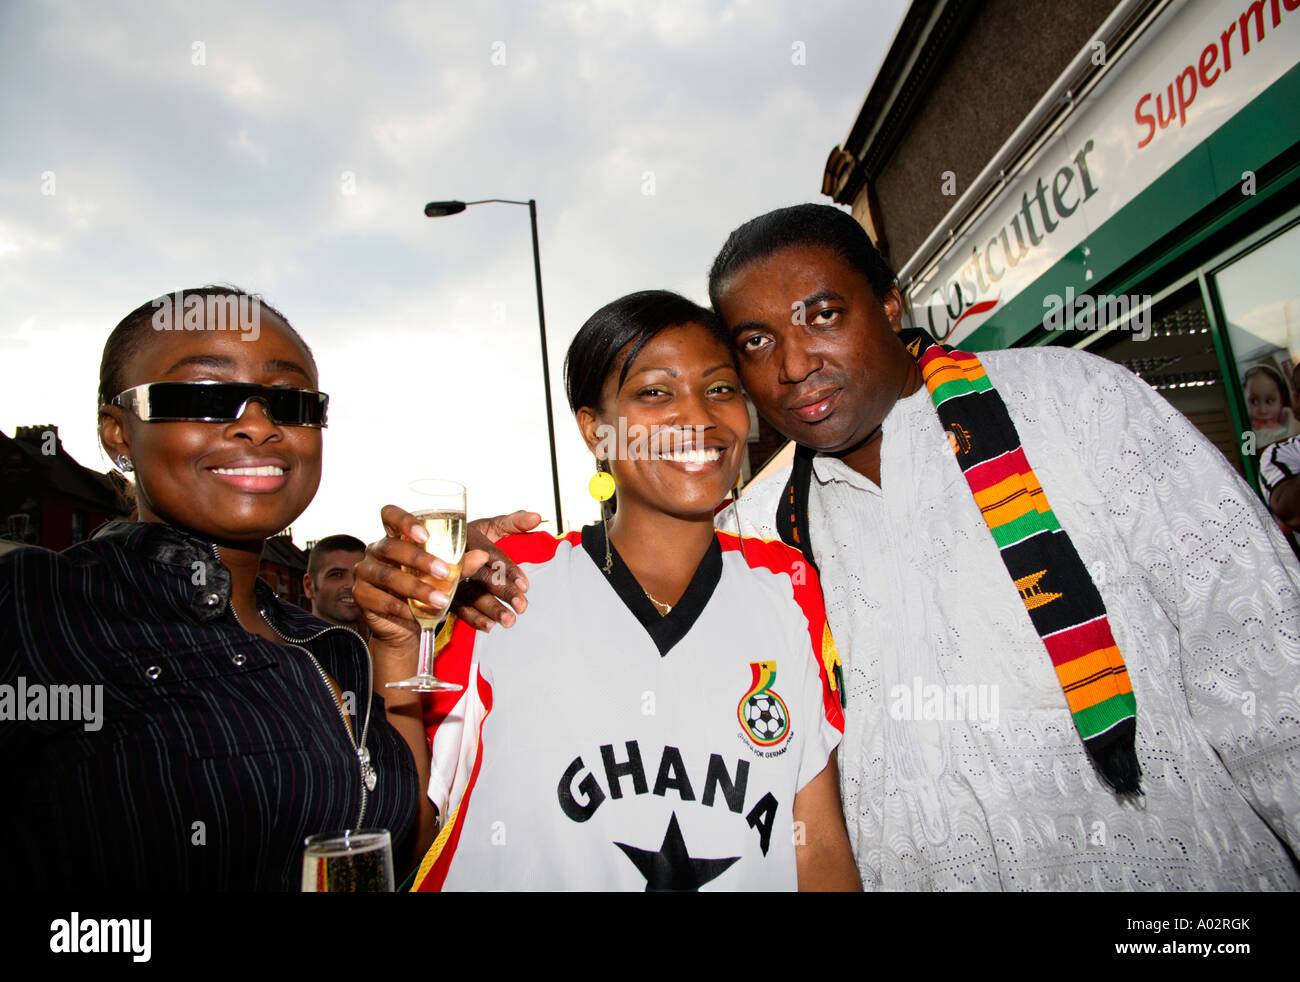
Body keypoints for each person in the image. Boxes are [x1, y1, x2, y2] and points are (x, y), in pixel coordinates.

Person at [707, 203, 1300, 891]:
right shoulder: (754, 539)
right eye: (755, 342)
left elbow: (1264, 661)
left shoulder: (1076, 403)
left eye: (824, 315)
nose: (794, 363)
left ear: (891, 306)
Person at [354, 290, 861, 891]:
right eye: (655, 391)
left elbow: (819, 848)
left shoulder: (790, 587)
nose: (697, 415)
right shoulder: (502, 583)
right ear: (595, 430)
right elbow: (403, 840)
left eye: (721, 388)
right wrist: (394, 649)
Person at [0, 286, 426, 890]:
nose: (258, 425)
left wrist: (395, 646)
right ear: (118, 431)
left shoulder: (332, 648)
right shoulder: (36, 602)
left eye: (290, 403)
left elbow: (406, 838)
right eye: (204, 396)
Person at [305, 533, 368, 636]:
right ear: (309, 586)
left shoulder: (383, 649)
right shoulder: (284, 650)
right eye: (337, 575)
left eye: (360, 575)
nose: (352, 585)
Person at [1244, 363, 1298, 448]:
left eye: (1269, 401)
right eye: (1254, 401)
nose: (1263, 410)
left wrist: (1291, 426)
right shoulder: (1246, 434)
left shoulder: (1293, 425)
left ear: (1282, 399)